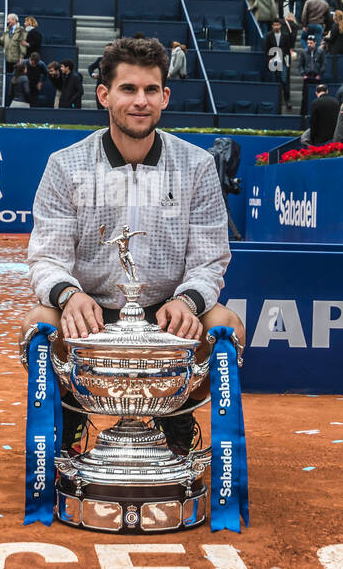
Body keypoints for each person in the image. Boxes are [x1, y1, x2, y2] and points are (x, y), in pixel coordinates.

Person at [24, 36, 242, 456]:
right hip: (90, 312)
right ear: (105, 95)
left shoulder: (196, 166)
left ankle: (177, 415)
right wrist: (69, 296)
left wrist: (188, 302)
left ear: (165, 97)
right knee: (38, 321)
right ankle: (70, 420)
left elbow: (211, 257)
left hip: (168, 312)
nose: (140, 101)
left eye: (150, 90)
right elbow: (46, 256)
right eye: (128, 89)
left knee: (227, 325)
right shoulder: (65, 165)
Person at [0, 13, 24, 84]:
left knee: (16, 81)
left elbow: (23, 46)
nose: (7, 21)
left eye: (8, 20)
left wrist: (21, 59)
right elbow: (3, 43)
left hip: (16, 61)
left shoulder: (21, 30)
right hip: (7, 60)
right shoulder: (7, 30)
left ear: (14, 20)